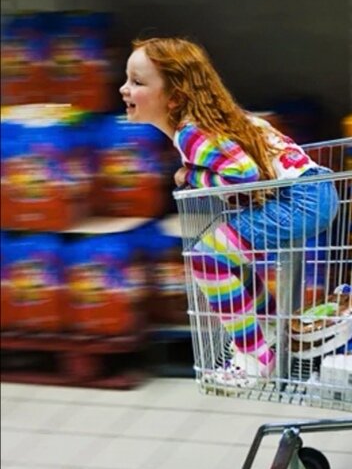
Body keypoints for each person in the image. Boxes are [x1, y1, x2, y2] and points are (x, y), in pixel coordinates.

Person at [120, 37, 339, 385]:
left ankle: (255, 356)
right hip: (311, 191)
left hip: (300, 201)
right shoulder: (210, 121)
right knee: (225, 253)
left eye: (137, 82)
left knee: (207, 258)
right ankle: (268, 327)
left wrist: (190, 174)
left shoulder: (193, 132)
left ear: (174, 97)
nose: (124, 89)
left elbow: (243, 175)